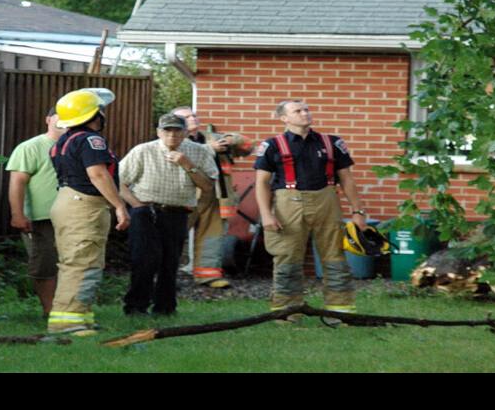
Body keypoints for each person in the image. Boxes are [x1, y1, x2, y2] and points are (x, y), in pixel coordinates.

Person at [253, 100, 370, 320]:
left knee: (335, 256)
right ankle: (287, 312)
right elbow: (261, 183)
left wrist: (358, 212)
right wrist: (266, 215)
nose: (305, 113)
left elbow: (346, 179)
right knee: (286, 257)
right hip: (288, 203)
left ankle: (340, 311)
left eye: (306, 109)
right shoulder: (272, 145)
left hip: (326, 200)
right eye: (297, 111)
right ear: (284, 118)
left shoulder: (331, 143)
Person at [47, 88, 130, 335]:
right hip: (84, 206)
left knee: (77, 261)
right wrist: (119, 205)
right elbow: (97, 173)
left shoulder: (64, 140)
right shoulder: (90, 140)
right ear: (94, 115)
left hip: (67, 201)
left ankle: (80, 316)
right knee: (81, 262)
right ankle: (68, 323)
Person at [118, 114, 219, 316]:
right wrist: (137, 206)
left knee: (170, 261)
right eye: (167, 130)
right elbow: (119, 182)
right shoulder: (143, 151)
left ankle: (165, 308)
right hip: (146, 210)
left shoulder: (199, 152)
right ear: (158, 132)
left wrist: (187, 164)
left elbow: (208, 186)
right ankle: (136, 307)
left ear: (185, 132)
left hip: (178, 212)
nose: (172, 135)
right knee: (144, 259)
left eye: (177, 130)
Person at [171, 107, 254, 289]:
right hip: (184, 195)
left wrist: (234, 139)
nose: (193, 118)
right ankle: (163, 277)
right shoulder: (172, 140)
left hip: (215, 195)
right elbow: (184, 155)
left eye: (194, 115)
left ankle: (207, 276)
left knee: (212, 236)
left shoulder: (214, 138)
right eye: (187, 117)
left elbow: (248, 147)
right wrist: (210, 149)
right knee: (172, 236)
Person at [6, 107, 65, 317]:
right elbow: (17, 182)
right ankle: (51, 312)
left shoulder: (76, 147)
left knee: (72, 266)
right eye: (60, 116)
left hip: (73, 217)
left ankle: (68, 309)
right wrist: (17, 214)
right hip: (42, 219)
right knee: (45, 265)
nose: (65, 121)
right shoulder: (30, 147)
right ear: (48, 119)